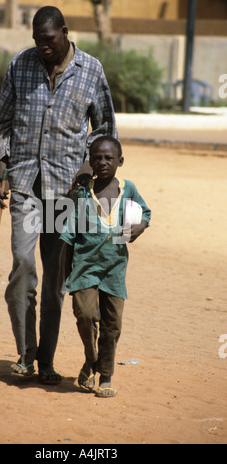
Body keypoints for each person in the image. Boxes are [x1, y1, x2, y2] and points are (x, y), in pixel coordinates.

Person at [0, 6, 118, 384]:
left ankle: (44, 360)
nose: (42, 47)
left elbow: (105, 127)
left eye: (49, 40)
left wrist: (87, 169)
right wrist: (1, 168)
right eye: (36, 40)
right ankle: (25, 353)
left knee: (54, 284)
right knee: (23, 266)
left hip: (66, 192)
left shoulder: (91, 70)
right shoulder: (21, 65)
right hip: (26, 184)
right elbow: (3, 124)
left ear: (64, 32)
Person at [60, 136, 151, 397]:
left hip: (115, 269)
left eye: (108, 158)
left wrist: (140, 226)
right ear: (90, 161)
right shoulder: (81, 192)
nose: (102, 162)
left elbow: (145, 213)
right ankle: (91, 359)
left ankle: (106, 377)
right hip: (84, 268)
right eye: (97, 157)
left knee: (112, 326)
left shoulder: (128, 188)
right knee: (86, 316)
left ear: (120, 161)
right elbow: (68, 236)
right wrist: (65, 275)